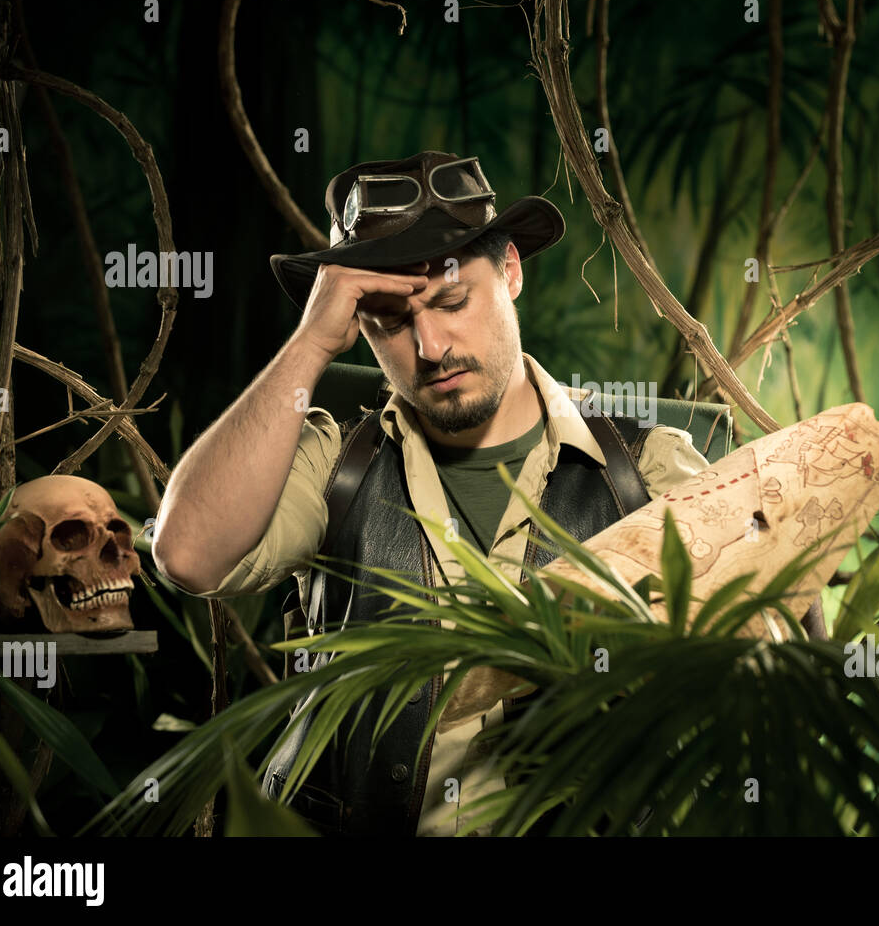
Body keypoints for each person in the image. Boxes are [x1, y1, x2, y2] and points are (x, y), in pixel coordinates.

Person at [151, 151, 711, 835]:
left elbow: (752, 673)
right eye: (387, 318)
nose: (431, 344)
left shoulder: (644, 471)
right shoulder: (336, 465)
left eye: (452, 299)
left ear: (510, 271)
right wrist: (311, 343)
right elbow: (187, 552)